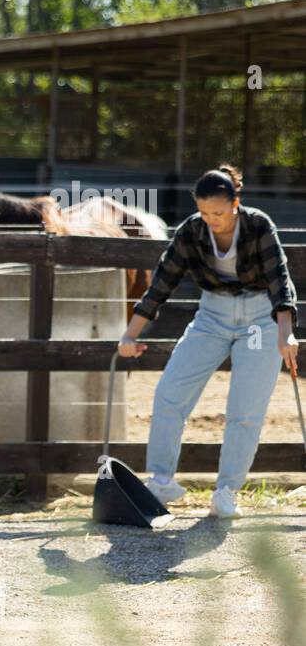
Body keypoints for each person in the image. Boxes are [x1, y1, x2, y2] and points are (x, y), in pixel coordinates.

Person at [118, 163, 298, 519]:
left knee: (244, 411)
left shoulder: (258, 224)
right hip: (211, 317)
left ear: (235, 202)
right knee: (169, 393)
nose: (211, 220)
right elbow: (161, 284)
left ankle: (226, 492)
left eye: (218, 212)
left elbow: (280, 279)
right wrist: (130, 334)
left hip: (259, 320)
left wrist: (286, 332)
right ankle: (162, 481)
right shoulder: (191, 232)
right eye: (203, 212)